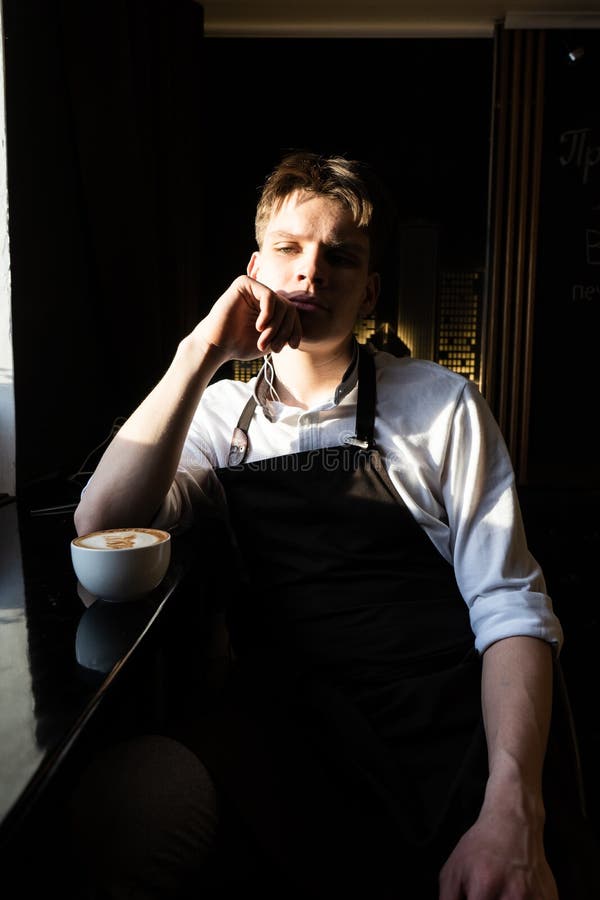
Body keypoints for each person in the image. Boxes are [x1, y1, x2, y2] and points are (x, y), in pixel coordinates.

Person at [71, 150, 570, 900]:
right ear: (254, 272)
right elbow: (101, 521)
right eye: (290, 250)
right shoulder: (216, 418)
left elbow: (510, 608)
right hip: (282, 736)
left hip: (436, 730)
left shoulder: (443, 405)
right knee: (116, 814)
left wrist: (513, 804)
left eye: (341, 257)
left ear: (369, 292)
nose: (313, 273)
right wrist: (202, 352)